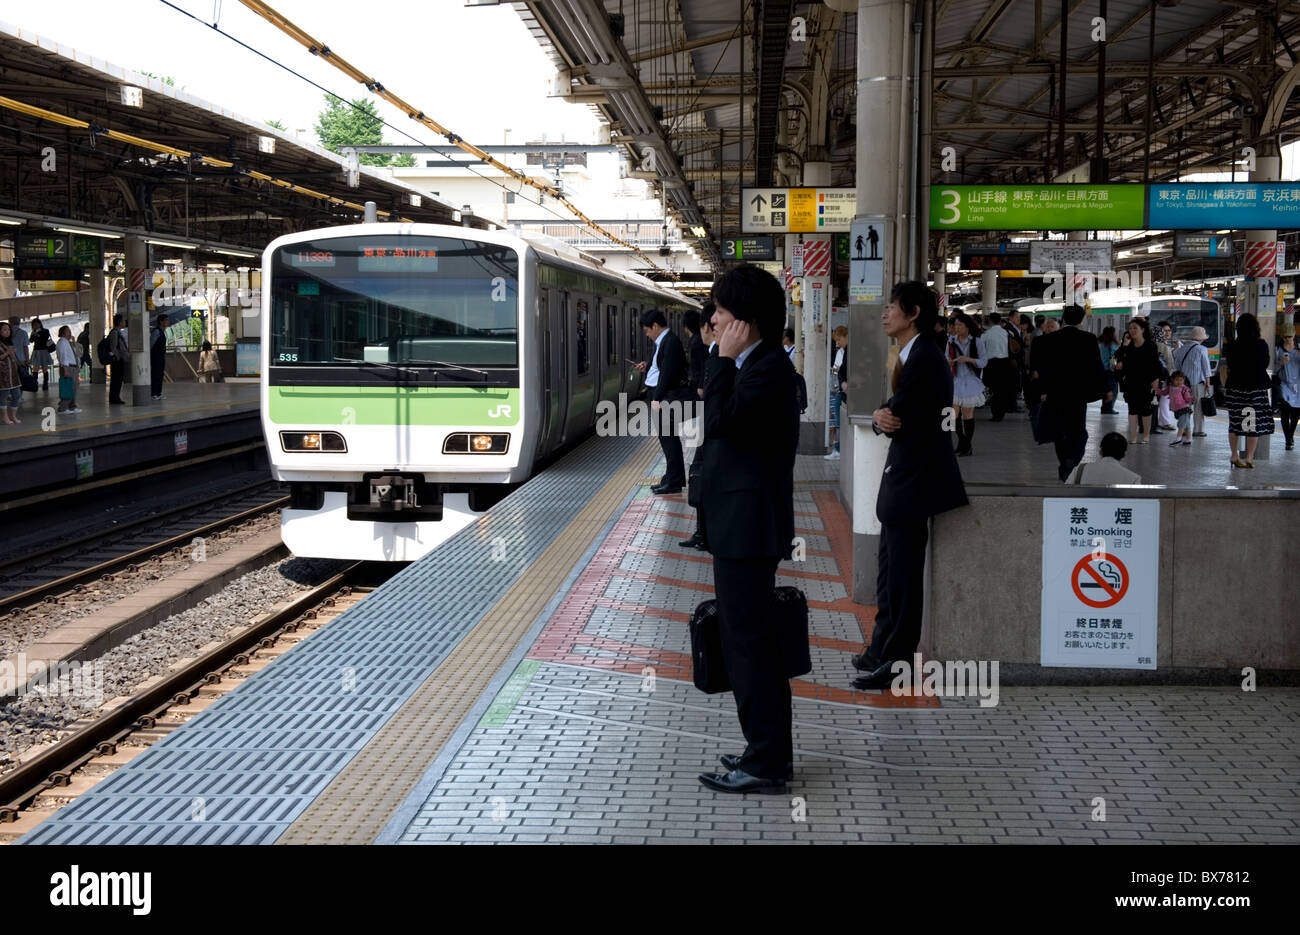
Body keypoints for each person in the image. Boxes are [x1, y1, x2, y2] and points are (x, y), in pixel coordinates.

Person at [696, 265, 798, 795]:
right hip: (740, 525)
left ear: (747, 322)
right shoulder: (759, 364)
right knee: (746, 641)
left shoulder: (765, 370)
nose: (713, 320)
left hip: (749, 529)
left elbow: (720, 423)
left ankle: (765, 762)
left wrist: (722, 360)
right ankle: (763, 750)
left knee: (750, 644)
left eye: (721, 312)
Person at [852, 282, 968, 691]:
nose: (885, 313)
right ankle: (880, 648)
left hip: (915, 483)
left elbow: (902, 412)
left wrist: (886, 413)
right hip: (904, 480)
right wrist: (885, 413)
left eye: (891, 307)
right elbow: (894, 411)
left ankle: (897, 663)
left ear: (913, 312)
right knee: (889, 573)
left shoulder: (924, 359)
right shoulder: (911, 354)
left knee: (902, 579)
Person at [1030, 304, 1107, 481]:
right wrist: (1104, 389)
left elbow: (1042, 368)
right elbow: (1096, 367)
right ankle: (1072, 461)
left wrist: (1043, 390)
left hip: (1055, 393)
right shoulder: (1088, 339)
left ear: (1063, 318)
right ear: (1081, 320)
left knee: (1059, 431)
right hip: (1078, 395)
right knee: (1079, 431)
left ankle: (1065, 461)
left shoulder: (1050, 339)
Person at [634, 309, 687, 494]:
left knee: (669, 439)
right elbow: (660, 366)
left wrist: (657, 398)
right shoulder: (664, 341)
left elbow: (668, 373)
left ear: (655, 326)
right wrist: (646, 366)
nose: (647, 335)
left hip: (664, 397)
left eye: (648, 331)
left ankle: (674, 481)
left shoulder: (670, 342)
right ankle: (671, 477)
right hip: (660, 394)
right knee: (666, 440)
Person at [680, 303, 714, 551]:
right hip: (708, 426)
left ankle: (705, 533)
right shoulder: (715, 354)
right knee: (700, 475)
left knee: (701, 475)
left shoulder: (719, 357)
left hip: (711, 429)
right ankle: (703, 531)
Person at [1220, 312, 1274, 468]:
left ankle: (1234, 455)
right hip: (1255, 388)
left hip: (1235, 388)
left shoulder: (1232, 345)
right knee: (1252, 423)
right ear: (1255, 327)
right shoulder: (1261, 344)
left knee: (1235, 422)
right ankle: (1250, 457)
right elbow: (1265, 363)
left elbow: (1230, 364)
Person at [1112, 317, 1162, 444]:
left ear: (1142, 330)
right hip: (1130, 381)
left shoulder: (1150, 345)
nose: (1132, 331)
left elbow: (1155, 364)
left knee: (1145, 409)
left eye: (1135, 328)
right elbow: (1117, 358)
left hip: (1146, 382)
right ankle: (1133, 437)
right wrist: (1124, 346)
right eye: (1130, 328)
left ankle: (1146, 435)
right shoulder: (1127, 345)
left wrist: (1156, 379)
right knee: (1132, 409)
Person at [946, 312, 987, 456]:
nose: (956, 328)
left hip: (970, 381)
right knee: (953, 415)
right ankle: (962, 442)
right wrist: (949, 362)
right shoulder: (951, 341)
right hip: (955, 380)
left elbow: (983, 361)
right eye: (955, 325)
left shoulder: (977, 341)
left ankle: (966, 446)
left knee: (967, 414)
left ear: (967, 326)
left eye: (959, 325)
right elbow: (946, 358)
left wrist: (969, 359)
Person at [1174, 326, 1213, 438]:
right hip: (1197, 382)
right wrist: (1208, 382)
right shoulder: (1202, 349)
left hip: (1183, 383)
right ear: (1201, 338)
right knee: (1198, 407)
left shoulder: (1182, 348)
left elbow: (1177, 365)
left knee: (1186, 407)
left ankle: (1186, 430)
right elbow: (1206, 367)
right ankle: (1198, 430)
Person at [1067, 432, 1141, 485]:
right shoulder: (1133, 479)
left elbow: (1066, 494)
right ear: (1124, 454)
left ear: (1100, 451)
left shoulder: (1080, 470)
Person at [980, 310, 1012, 420]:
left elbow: (981, 350)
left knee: (994, 389)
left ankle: (995, 413)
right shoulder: (1006, 333)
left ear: (989, 321)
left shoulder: (986, 334)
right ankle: (1001, 412)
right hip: (1005, 363)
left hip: (992, 364)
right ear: (999, 321)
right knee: (1002, 389)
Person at [826, 325, 848, 461]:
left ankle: (839, 449)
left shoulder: (847, 352)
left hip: (840, 390)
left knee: (837, 422)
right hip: (837, 388)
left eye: (839, 340)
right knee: (835, 421)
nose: (837, 343)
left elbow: (838, 370)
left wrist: (835, 371)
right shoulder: (841, 351)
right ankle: (837, 449)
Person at [1156, 371, 1195, 446]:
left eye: (1181, 380)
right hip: (1177, 410)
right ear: (1172, 379)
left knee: (1181, 424)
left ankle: (1178, 439)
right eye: (1177, 380)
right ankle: (1188, 439)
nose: (1179, 382)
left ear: (1183, 380)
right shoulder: (1170, 387)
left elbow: (1187, 398)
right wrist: (1157, 390)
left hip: (1184, 409)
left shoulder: (1184, 388)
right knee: (1187, 425)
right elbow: (1163, 393)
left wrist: (1191, 399)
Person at [1276, 334, 1299, 451]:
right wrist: (1280, 363)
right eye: (1285, 337)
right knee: (1285, 412)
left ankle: (1290, 435)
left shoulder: (1298, 349)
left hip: (1298, 385)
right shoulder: (1278, 350)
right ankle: (1288, 439)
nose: (1288, 339)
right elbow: (1272, 367)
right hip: (1284, 384)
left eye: (1290, 337)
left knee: (1296, 413)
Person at [1154, 320, 1178, 431]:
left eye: (1169, 330)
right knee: (1164, 398)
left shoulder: (1152, 343)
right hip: (1163, 377)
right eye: (1165, 331)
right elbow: (1169, 363)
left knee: (1157, 399)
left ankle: (1157, 422)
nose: (1168, 333)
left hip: (1155, 376)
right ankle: (1164, 422)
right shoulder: (1162, 345)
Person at [54, 325, 82, 414]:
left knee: (74, 388)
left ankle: (72, 406)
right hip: (67, 367)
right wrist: (65, 369)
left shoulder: (68, 342)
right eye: (68, 331)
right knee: (68, 388)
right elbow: (63, 357)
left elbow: (78, 353)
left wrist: (74, 343)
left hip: (73, 367)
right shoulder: (62, 342)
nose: (70, 333)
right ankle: (63, 408)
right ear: (63, 333)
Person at [0, 321, 22, 424]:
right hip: (3, 373)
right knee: (4, 395)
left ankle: (12, 416)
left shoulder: (9, 342)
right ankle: (5, 417)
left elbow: (12, 357)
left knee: (16, 394)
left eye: (8, 329)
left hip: (12, 372)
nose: (7, 332)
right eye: (4, 330)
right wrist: (7, 353)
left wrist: (12, 353)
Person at [1097, 326, 1120, 414]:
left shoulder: (1101, 343)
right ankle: (1109, 408)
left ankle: (1104, 408)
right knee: (1113, 390)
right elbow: (1116, 354)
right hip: (1110, 370)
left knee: (1106, 390)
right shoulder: (1112, 344)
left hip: (1102, 370)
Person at [108, 313, 129, 405]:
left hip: (120, 359)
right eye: (123, 320)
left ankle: (116, 397)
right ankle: (114, 398)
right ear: (120, 322)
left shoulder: (118, 332)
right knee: (116, 379)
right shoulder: (114, 333)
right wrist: (118, 357)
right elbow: (113, 347)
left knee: (118, 379)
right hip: (117, 361)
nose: (124, 322)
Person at [29, 317, 54, 390]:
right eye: (34, 325)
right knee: (35, 368)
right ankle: (35, 383)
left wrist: (38, 334)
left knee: (44, 368)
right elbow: (30, 341)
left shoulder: (45, 331)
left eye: (36, 324)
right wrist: (34, 334)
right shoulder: (33, 332)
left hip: (44, 351)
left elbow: (44, 339)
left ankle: (45, 384)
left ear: (40, 324)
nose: (35, 326)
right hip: (36, 351)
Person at [150, 313, 170, 400]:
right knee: (155, 374)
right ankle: (154, 393)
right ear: (161, 322)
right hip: (156, 357)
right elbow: (151, 344)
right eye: (166, 320)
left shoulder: (162, 331)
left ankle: (158, 392)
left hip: (161, 356)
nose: (168, 322)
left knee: (160, 374)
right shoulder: (157, 331)